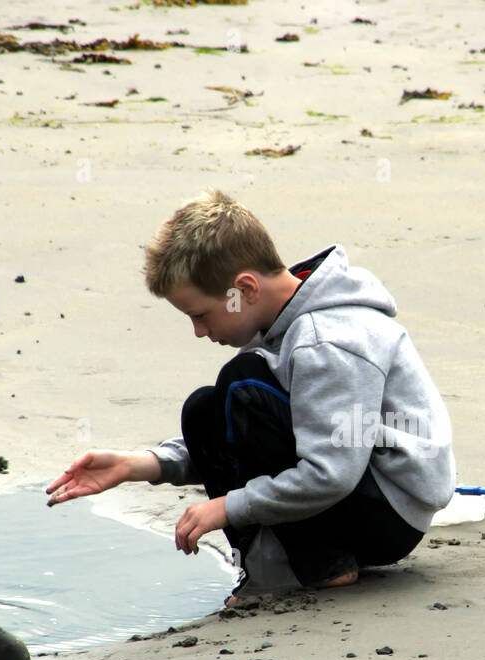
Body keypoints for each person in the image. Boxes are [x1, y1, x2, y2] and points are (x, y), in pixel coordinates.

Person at [45, 189, 456, 608]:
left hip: (387, 513)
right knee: (206, 407)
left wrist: (229, 507)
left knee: (241, 384)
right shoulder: (281, 325)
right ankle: (286, 559)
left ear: (243, 289)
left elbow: (332, 474)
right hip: (354, 489)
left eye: (200, 315)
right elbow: (232, 434)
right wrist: (141, 465)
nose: (199, 332)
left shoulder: (326, 341)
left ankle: (315, 564)